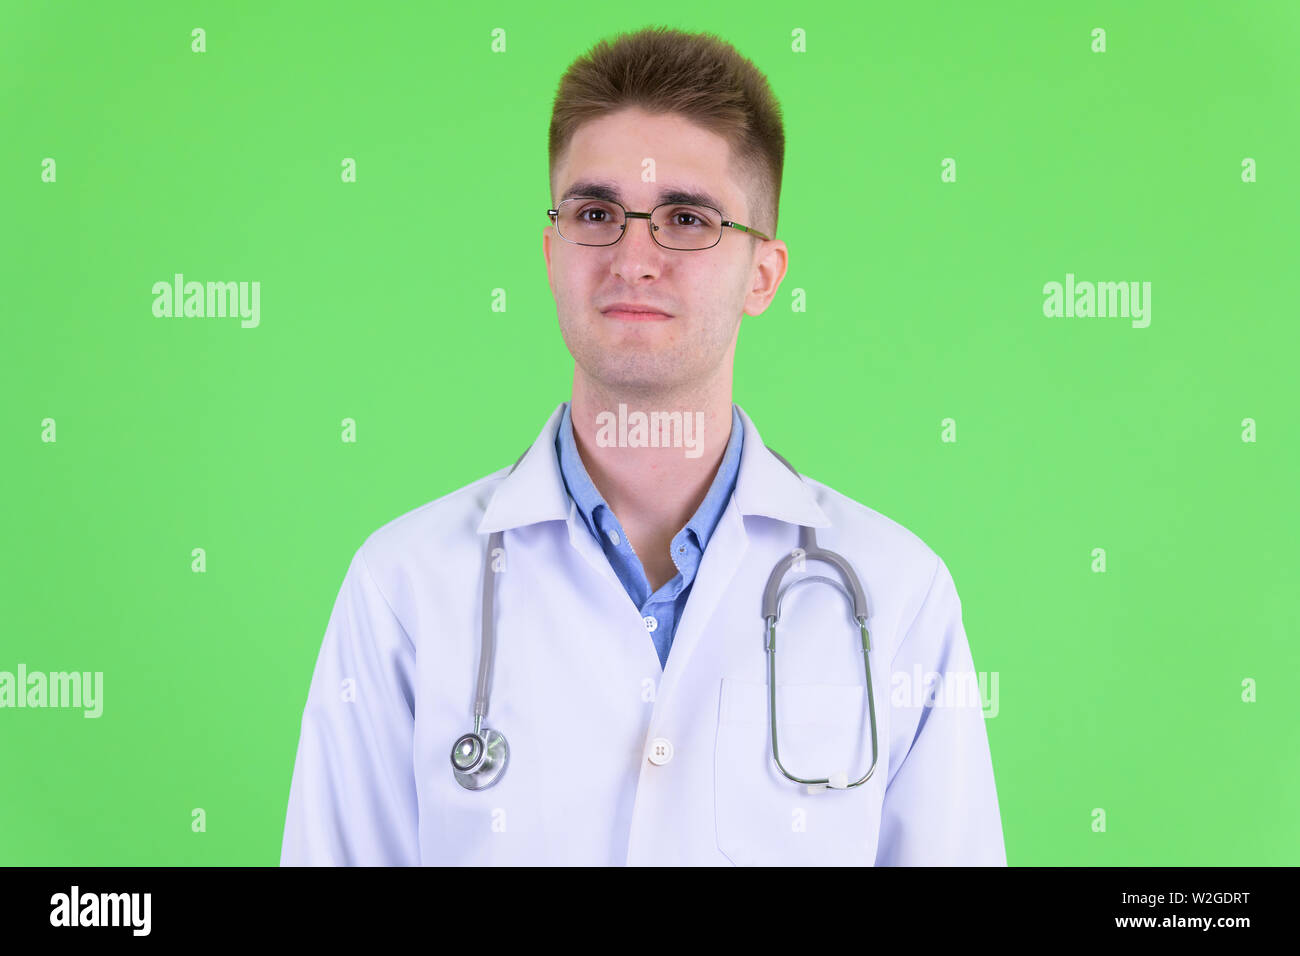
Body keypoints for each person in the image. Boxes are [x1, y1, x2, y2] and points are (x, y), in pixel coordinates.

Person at [280, 25, 1006, 866]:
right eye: (596, 214)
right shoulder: (404, 587)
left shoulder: (897, 595)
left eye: (687, 219)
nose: (633, 257)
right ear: (552, 253)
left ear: (763, 275)